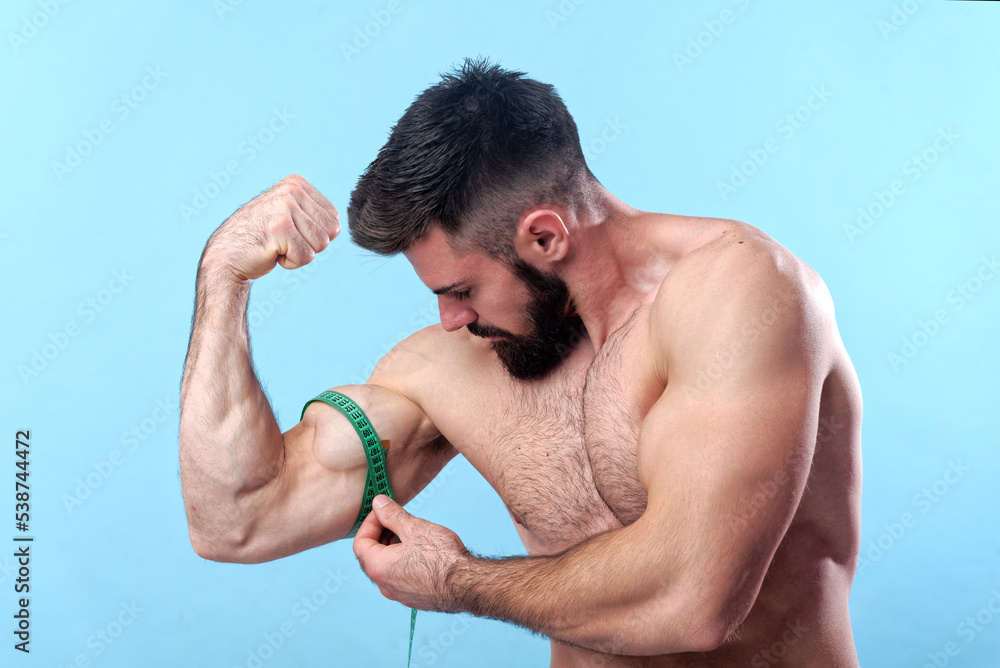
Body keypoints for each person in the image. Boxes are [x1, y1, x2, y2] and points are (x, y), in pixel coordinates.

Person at [179, 58, 863, 667]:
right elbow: (237, 520)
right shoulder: (451, 367)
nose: (450, 320)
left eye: (462, 290)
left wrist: (455, 580)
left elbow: (694, 602)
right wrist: (221, 280)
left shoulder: (742, 296)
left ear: (544, 235)